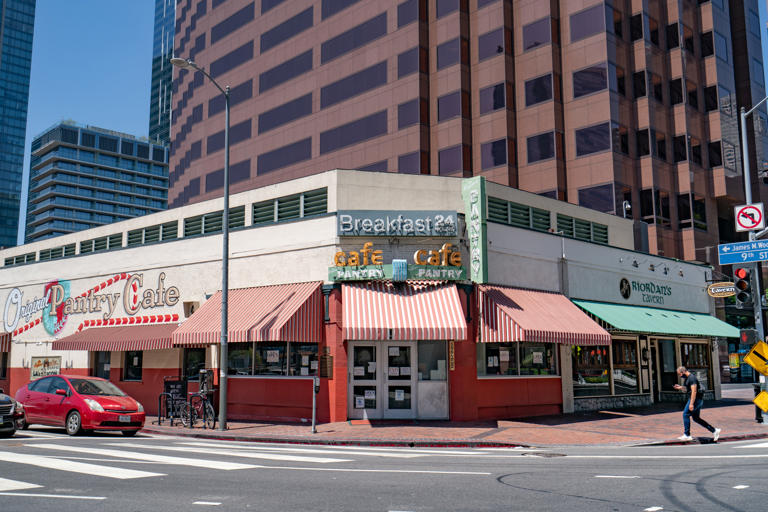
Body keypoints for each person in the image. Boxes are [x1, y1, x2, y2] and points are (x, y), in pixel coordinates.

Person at [673, 366, 721, 442]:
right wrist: (680, 387)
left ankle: (687, 435)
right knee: (696, 418)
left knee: (685, 414)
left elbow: (694, 391)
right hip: (697, 400)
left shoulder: (692, 378)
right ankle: (714, 430)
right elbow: (687, 389)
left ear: (683, 372)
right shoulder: (688, 378)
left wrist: (691, 404)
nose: (680, 376)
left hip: (695, 400)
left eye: (680, 374)